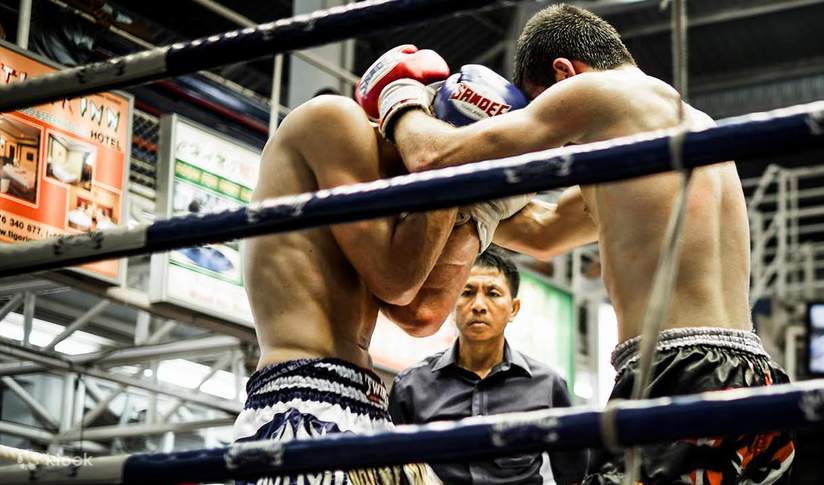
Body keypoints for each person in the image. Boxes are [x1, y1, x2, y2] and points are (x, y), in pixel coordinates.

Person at [358, 5, 795, 484]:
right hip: (756, 380)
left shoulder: (595, 91)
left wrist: (400, 98)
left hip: (679, 374)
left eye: (539, 107)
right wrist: (477, 203)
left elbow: (430, 155)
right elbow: (541, 233)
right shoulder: (683, 129)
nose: (554, 144)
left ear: (564, 73)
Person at [237, 53, 530, 484]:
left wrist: (478, 207)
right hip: (302, 402)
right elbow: (396, 281)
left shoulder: (403, 201)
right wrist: (451, 162)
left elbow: (423, 314)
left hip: (371, 406)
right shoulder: (332, 119)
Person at [390, 249, 588, 485]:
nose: (479, 305)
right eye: (467, 292)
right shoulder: (410, 387)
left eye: (493, 293)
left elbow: (575, 477)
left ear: (513, 309)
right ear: (452, 305)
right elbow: (392, 474)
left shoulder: (547, 385)